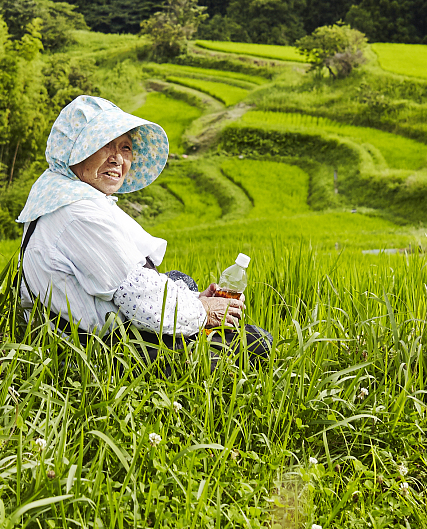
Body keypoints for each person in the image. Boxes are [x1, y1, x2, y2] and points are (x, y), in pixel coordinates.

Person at [17, 95, 267, 356]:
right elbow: (137, 297)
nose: (117, 159)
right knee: (257, 344)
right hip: (102, 351)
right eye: (105, 145)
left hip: (95, 330)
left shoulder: (64, 195)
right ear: (75, 152)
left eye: (125, 148)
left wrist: (194, 300)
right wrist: (202, 311)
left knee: (183, 283)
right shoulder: (78, 214)